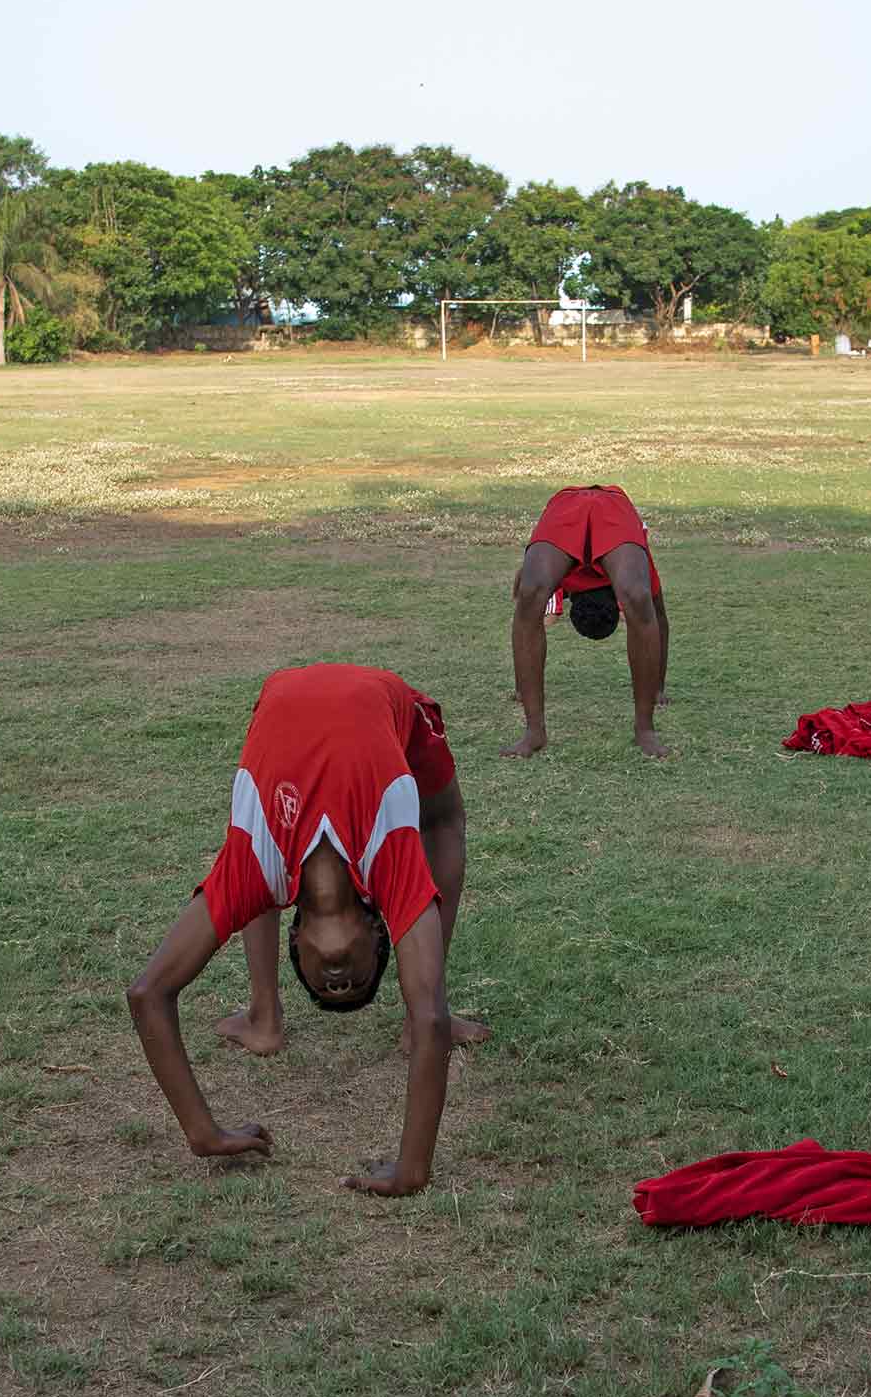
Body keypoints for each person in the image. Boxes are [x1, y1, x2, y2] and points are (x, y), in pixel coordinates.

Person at [127, 664, 490, 1196]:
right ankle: (266, 1012)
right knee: (441, 822)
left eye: (325, 987)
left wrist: (203, 1132)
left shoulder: (259, 869)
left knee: (254, 849)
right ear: (379, 922)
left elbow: (147, 993)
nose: (340, 982)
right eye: (358, 983)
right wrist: (412, 1167)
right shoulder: (389, 862)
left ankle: (264, 1015)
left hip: (285, 695)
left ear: (296, 943)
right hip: (382, 694)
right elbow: (431, 1016)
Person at [504, 484, 670, 759]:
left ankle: (535, 732)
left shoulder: (565, 581)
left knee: (531, 591)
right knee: (639, 597)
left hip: (566, 503)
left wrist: (521, 687)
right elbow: (658, 615)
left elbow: (527, 608)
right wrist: (658, 687)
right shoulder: (624, 580)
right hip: (612, 502)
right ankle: (644, 729)